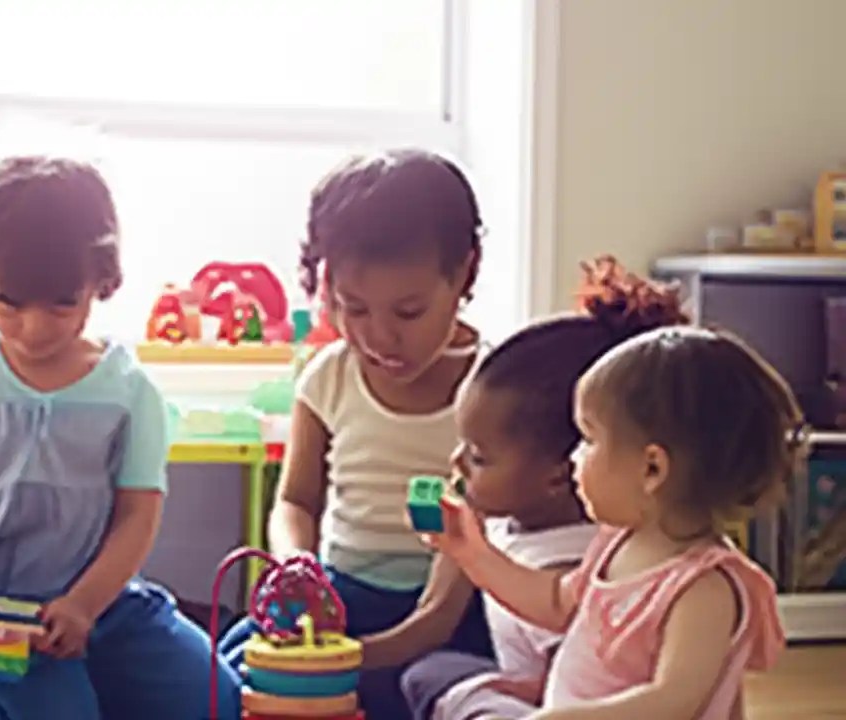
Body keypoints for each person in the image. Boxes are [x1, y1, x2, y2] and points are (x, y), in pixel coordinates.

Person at [0, 156, 242, 720]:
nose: (34, 328)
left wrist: (84, 603)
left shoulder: (129, 391)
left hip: (103, 601)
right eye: (8, 303)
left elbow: (137, 513)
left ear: (99, 282)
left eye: (61, 304)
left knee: (211, 697)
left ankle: (76, 680)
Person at [428, 266, 795, 718]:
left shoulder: (704, 588)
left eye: (589, 439)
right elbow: (557, 604)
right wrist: (473, 554)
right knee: (452, 687)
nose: (575, 458)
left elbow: (673, 701)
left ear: (652, 468)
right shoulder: (617, 540)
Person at [217, 149, 495, 719]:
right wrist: (299, 565)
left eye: (409, 312)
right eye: (354, 309)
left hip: (450, 607)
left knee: (427, 692)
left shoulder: (491, 390)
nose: (380, 338)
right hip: (338, 595)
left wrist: (359, 656)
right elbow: (295, 499)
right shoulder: (329, 377)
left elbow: (451, 596)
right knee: (234, 675)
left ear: (463, 274)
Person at [398, 257, 685, 720]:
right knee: (431, 675)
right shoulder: (507, 523)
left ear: (558, 473)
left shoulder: (578, 559)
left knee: (441, 683)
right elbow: (436, 612)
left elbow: (587, 684)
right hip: (540, 691)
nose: (457, 463)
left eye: (479, 456)